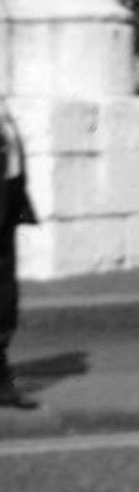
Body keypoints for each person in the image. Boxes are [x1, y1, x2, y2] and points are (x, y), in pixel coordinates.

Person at [0, 99, 37, 408]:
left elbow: (14, 165)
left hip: (6, 217)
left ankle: (2, 381)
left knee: (5, 300)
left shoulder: (5, 115)